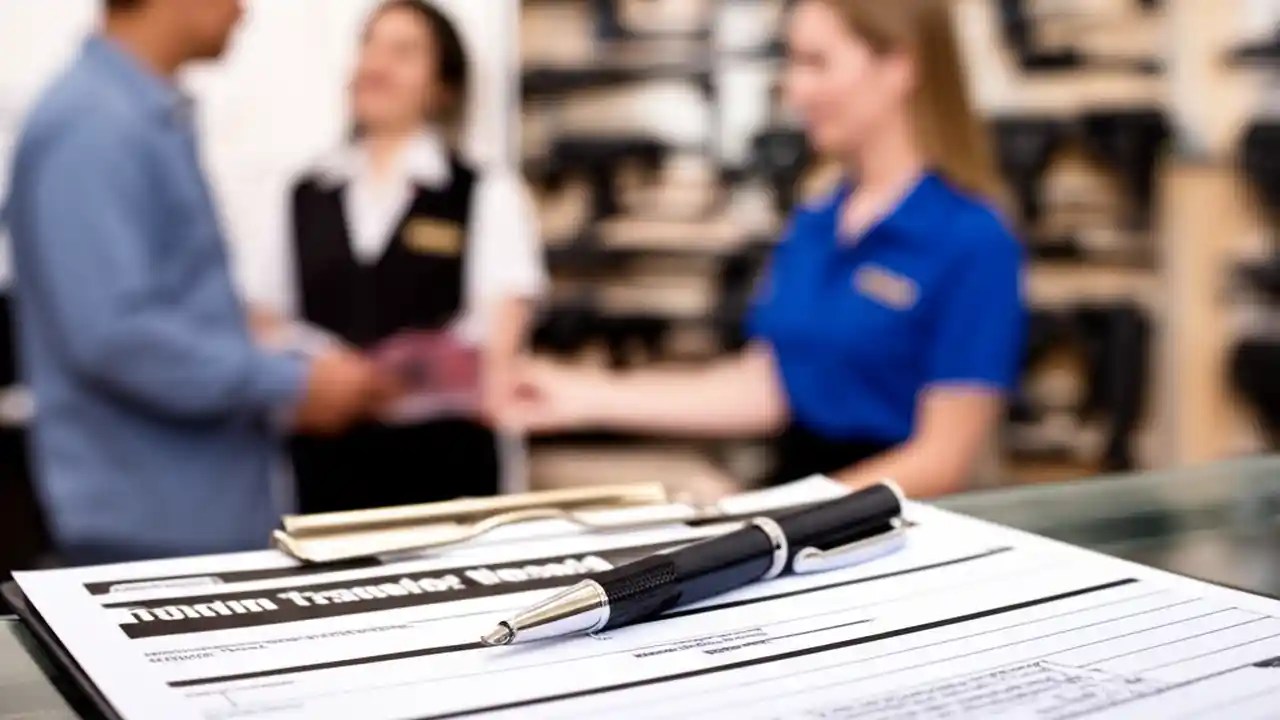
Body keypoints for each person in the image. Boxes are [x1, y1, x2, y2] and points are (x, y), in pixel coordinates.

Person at [512, 0, 1026, 498]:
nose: (795, 89)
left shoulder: (973, 237)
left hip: (900, 528)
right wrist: (577, 394)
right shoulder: (818, 219)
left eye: (817, 63)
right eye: (792, 62)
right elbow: (772, 384)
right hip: (801, 493)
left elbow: (942, 461)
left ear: (899, 66)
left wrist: (780, 518)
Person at [1, 0, 388, 563]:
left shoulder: (139, 116)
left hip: (194, 516)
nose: (242, 12)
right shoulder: (93, 125)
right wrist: (289, 383)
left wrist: (272, 345)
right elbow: (114, 338)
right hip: (148, 531)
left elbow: (155, 307)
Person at [263, 0, 546, 513]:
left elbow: (497, 346)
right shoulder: (304, 193)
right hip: (325, 477)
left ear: (442, 85)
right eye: (369, 46)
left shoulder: (484, 192)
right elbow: (266, 325)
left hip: (446, 481)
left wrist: (379, 382)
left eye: (403, 52)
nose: (376, 65)